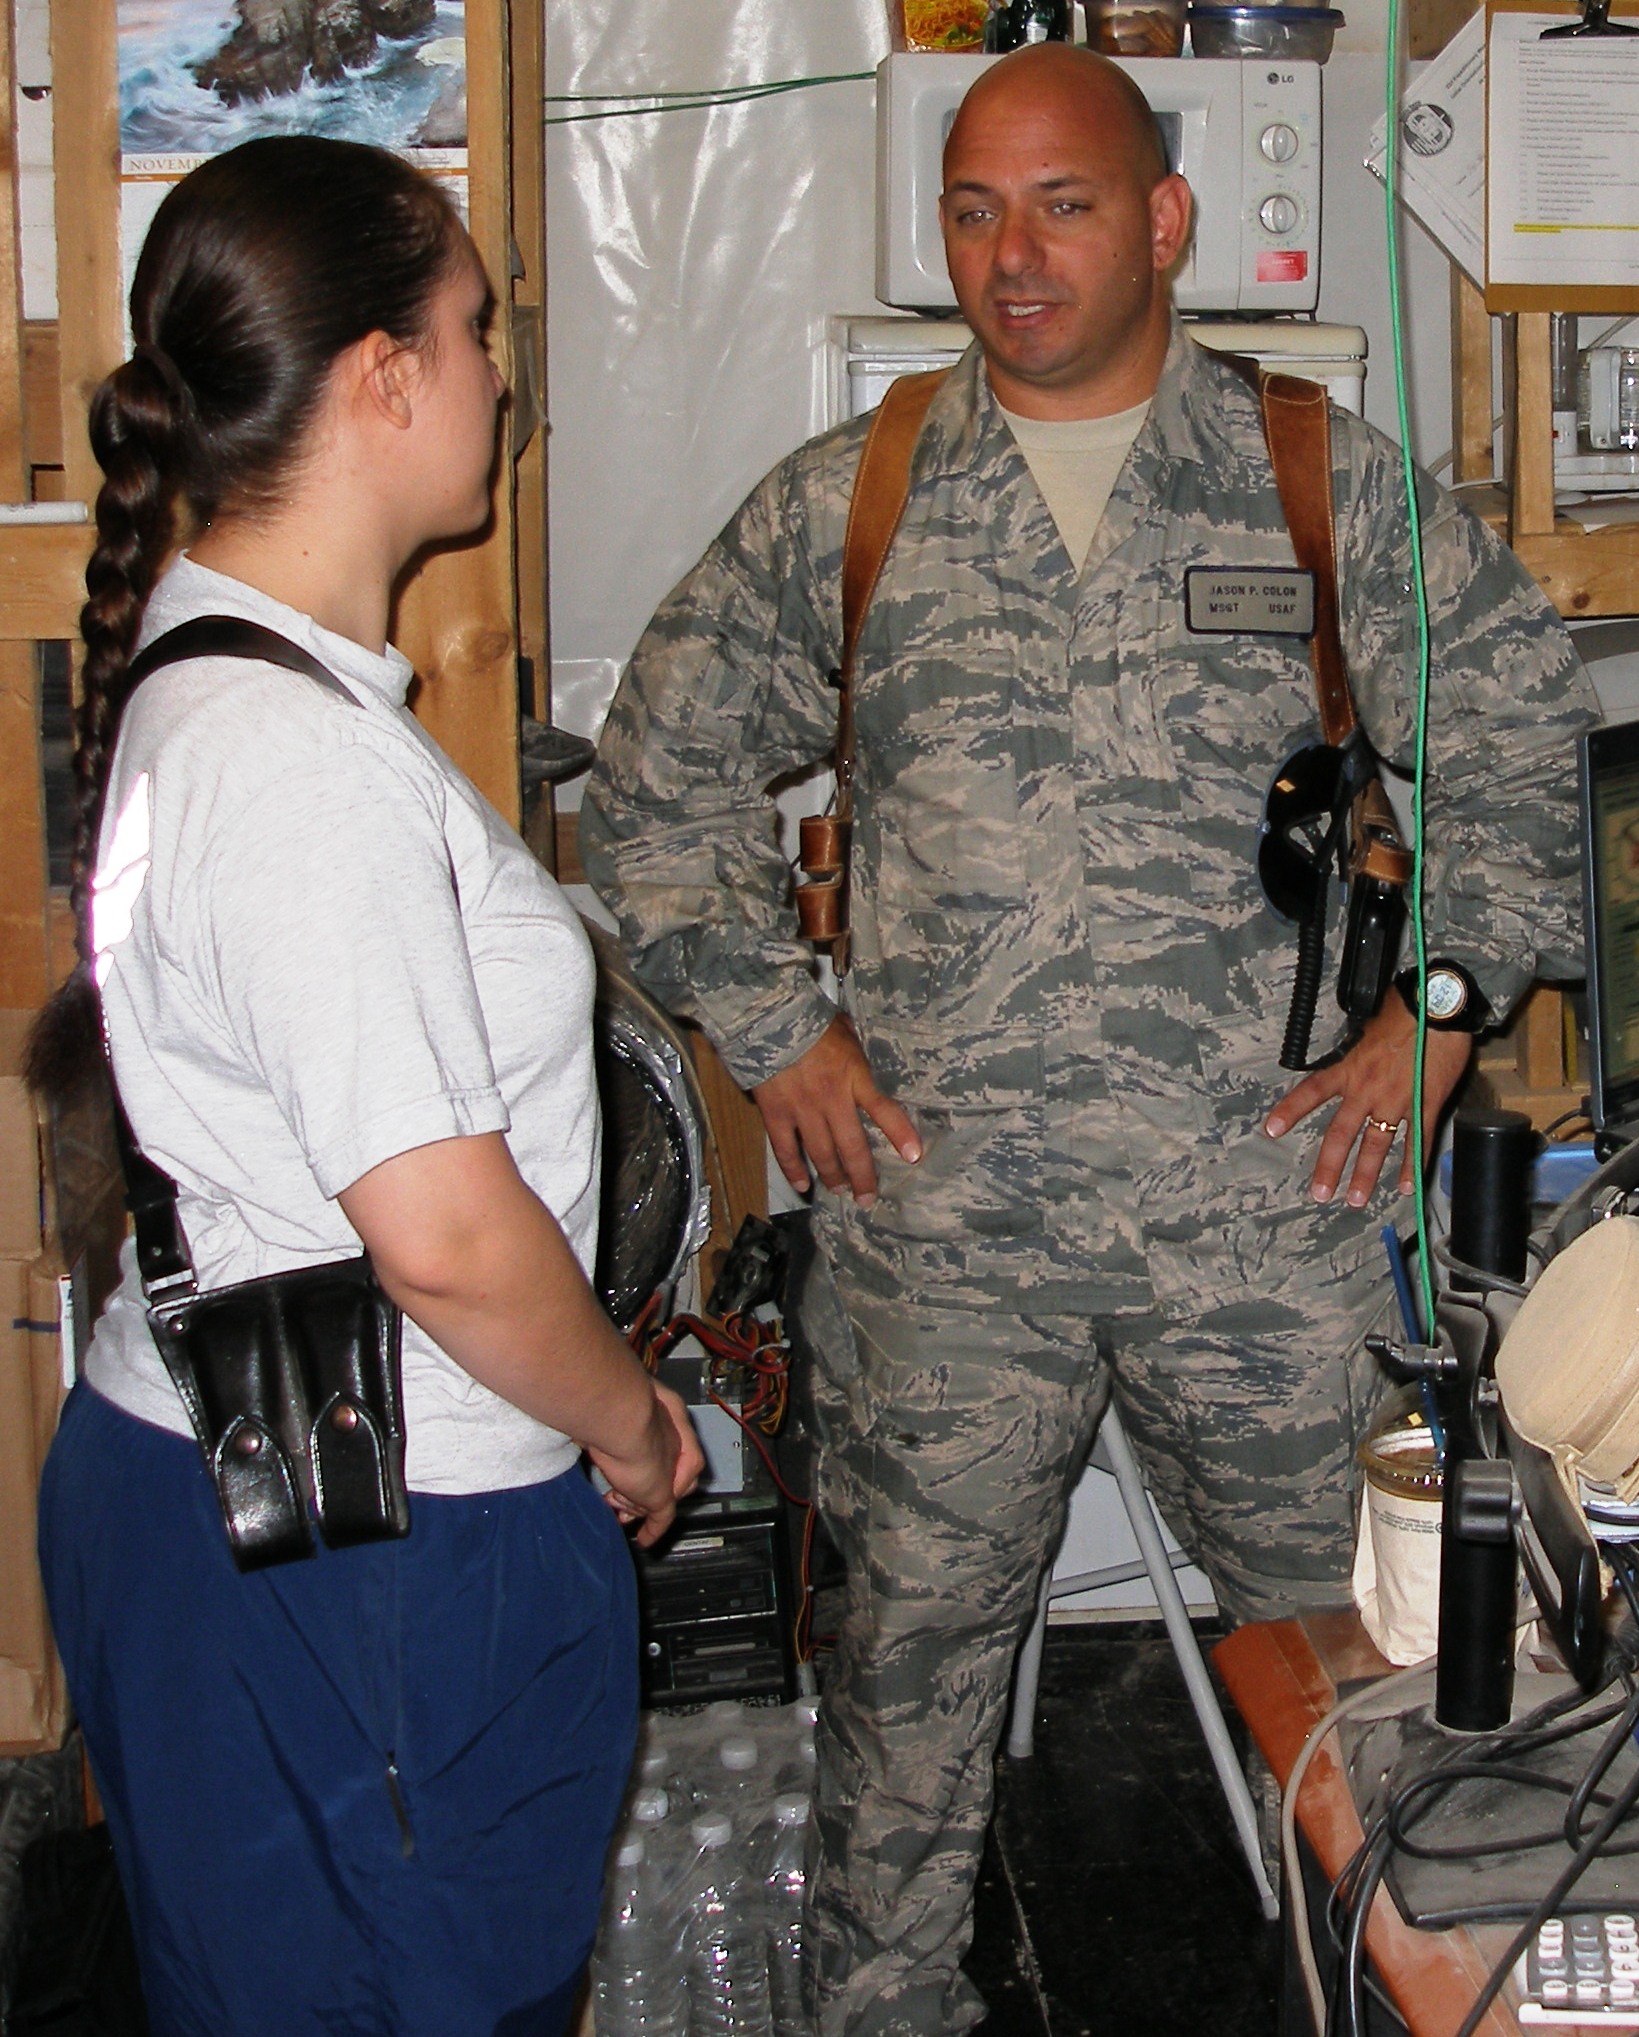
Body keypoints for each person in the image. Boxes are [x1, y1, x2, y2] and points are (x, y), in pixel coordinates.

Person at [581, 44, 1597, 2037]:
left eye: (1061, 205)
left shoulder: (1312, 480)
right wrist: (780, 1030)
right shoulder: (860, 495)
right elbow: (657, 780)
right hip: (941, 1243)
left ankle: (1399, 1999)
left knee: (1379, 1691)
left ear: (1163, 221)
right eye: (973, 211)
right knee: (897, 1718)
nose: (1013, 255)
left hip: (1265, 1224)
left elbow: (1515, 739)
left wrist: (1435, 1018)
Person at [32, 135, 703, 2037]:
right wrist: (632, 1426)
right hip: (364, 1556)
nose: (502, 372)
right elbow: (446, 1238)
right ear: (383, 377)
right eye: (478, 327)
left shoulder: (238, 687)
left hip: (281, 1508)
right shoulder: (289, 762)